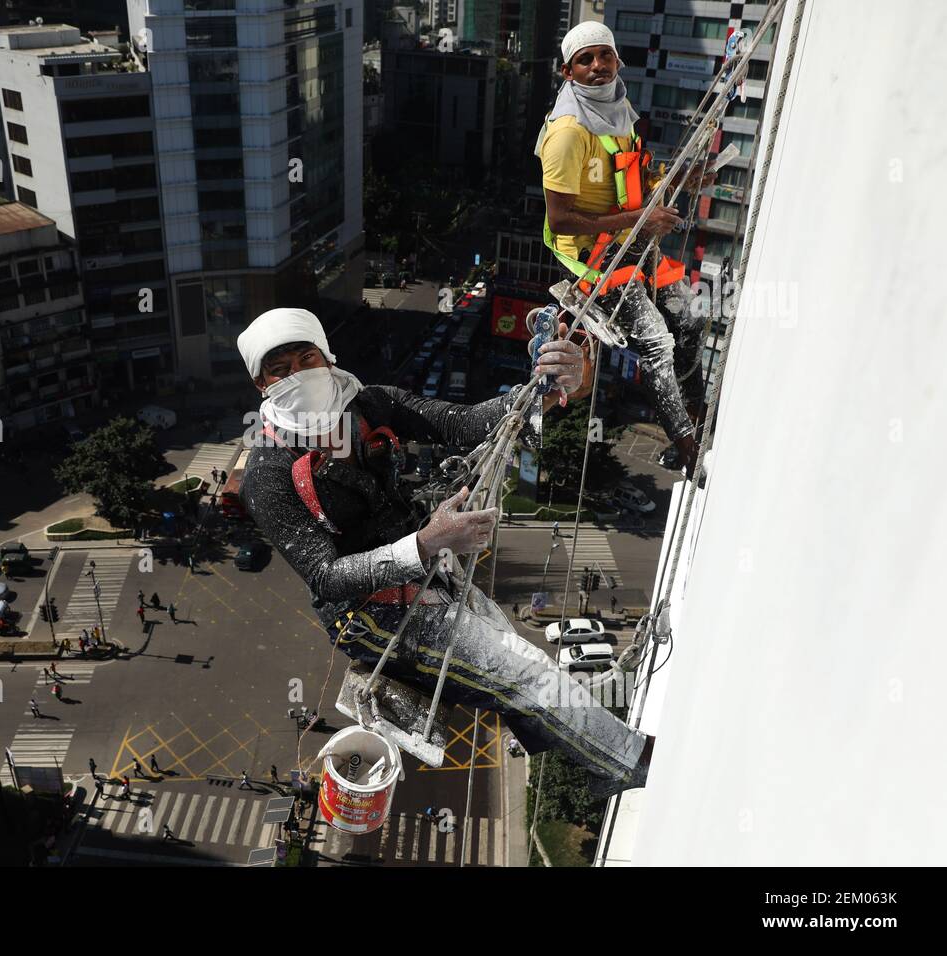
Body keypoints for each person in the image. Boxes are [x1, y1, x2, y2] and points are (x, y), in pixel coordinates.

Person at [234, 307, 654, 798]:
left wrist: (545, 386)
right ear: (261, 386)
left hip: (430, 573)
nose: (299, 375)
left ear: (328, 357)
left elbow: (467, 423)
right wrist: (427, 542)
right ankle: (630, 765)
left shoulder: (368, 405)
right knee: (525, 673)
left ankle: (591, 746)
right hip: (368, 616)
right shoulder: (268, 474)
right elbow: (325, 577)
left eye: (307, 358)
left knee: (518, 656)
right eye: (280, 370)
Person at [536, 21, 712, 478]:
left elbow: (635, 176)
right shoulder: (569, 133)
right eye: (585, 60)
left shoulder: (619, 110)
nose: (597, 67)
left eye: (604, 56)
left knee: (692, 316)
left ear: (617, 61)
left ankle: (697, 413)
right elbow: (561, 220)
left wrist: (676, 180)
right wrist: (640, 221)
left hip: (630, 238)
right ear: (567, 72)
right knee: (657, 340)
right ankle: (686, 445)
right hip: (595, 254)